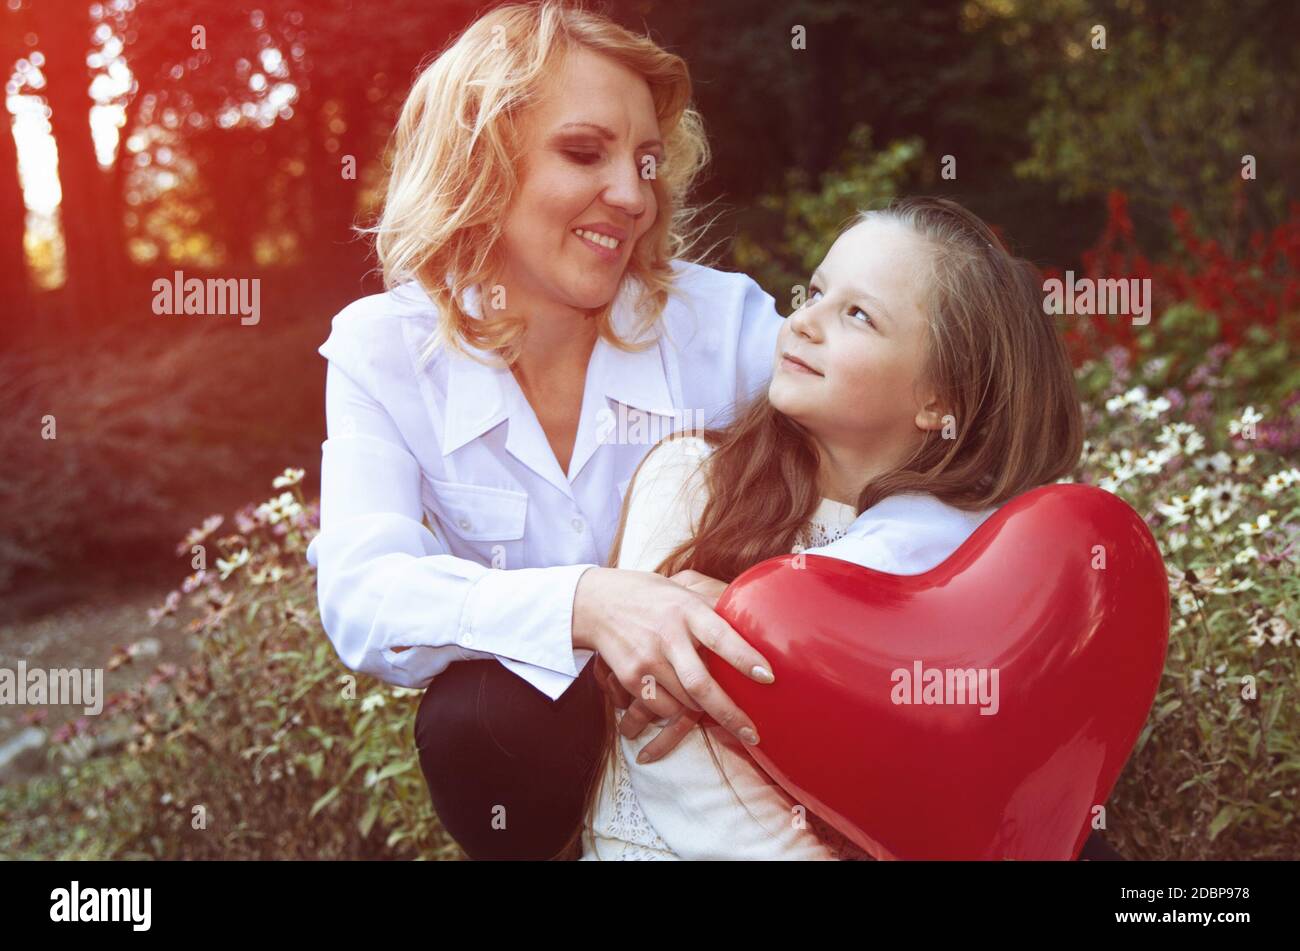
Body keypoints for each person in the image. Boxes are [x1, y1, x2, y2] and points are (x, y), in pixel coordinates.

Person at [305, 1, 782, 860]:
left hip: (737, 734)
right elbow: (362, 592)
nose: (634, 195)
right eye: (584, 152)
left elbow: (892, 462)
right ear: (481, 160)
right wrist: (589, 603)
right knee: (476, 717)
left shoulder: (724, 323)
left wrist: (755, 609)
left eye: (644, 161)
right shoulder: (384, 351)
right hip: (545, 761)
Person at [577, 196, 1122, 860]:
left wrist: (743, 639)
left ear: (938, 398)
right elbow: (673, 765)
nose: (803, 322)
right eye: (814, 292)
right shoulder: (690, 479)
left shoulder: (972, 563)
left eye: (857, 315)